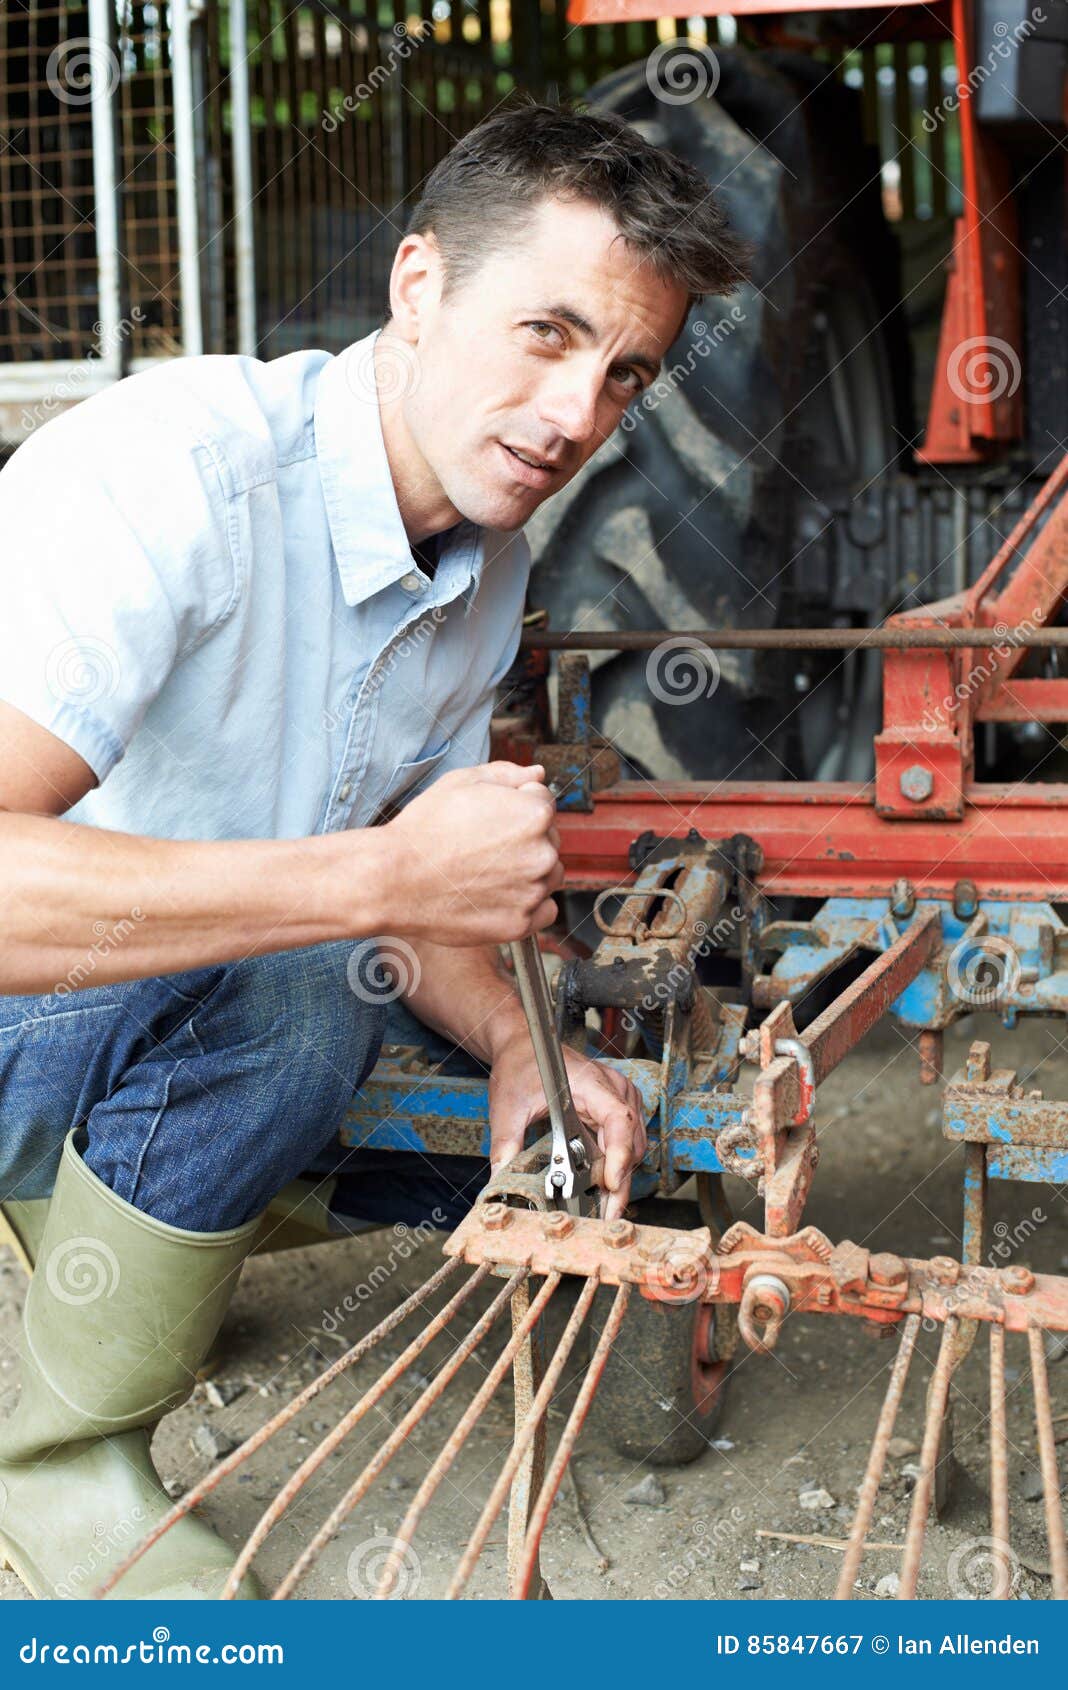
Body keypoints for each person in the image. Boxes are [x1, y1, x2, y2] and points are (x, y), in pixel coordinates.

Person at [0, 100, 747, 1598]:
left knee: (499, 1119)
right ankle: (55, 1467)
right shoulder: (173, 475)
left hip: (154, 1008)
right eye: (545, 332)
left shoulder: (487, 557)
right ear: (418, 287)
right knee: (303, 991)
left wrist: (523, 1046)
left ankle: (95, 1243)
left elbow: (438, 885)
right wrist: (375, 889)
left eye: (626, 376)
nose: (575, 416)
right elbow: (378, 884)